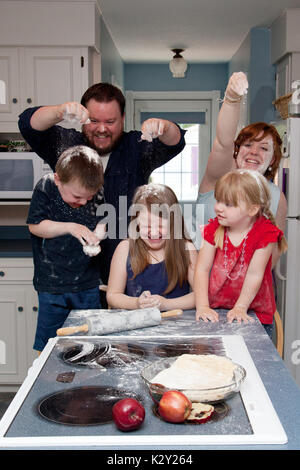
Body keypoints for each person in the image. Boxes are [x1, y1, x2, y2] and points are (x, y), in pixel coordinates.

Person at [18, 83, 186, 284]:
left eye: (111, 121)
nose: (102, 129)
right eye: (94, 120)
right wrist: (59, 112)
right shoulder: (66, 145)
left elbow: (176, 142)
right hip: (71, 278)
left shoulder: (136, 148)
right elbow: (27, 125)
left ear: (123, 118)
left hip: (127, 273)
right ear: (83, 119)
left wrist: (165, 127)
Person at [193, 72, 287, 266]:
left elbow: (273, 256)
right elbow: (223, 142)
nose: (254, 152)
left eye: (263, 148)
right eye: (247, 145)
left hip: (250, 291)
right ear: (236, 151)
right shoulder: (219, 177)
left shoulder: (277, 197)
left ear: (272, 160)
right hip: (202, 285)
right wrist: (232, 99)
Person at [27, 145, 107, 351]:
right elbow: (35, 226)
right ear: (57, 180)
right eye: (77, 197)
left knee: (91, 345)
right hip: (52, 286)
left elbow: (102, 220)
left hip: (87, 284)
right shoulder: (45, 187)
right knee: (49, 347)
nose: (83, 202)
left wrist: (97, 236)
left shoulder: (95, 190)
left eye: (88, 197)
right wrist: (71, 227)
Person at [194, 169, 287, 336]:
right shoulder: (214, 229)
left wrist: (241, 307)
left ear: (252, 209)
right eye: (218, 200)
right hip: (216, 310)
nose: (218, 208)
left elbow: (254, 274)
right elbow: (202, 269)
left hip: (253, 313)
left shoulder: (265, 233)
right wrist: (202, 306)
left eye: (228, 204)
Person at [106, 183, 197, 311]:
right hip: (136, 326)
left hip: (177, 326)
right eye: (146, 226)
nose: (154, 233)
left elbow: (201, 295)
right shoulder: (125, 249)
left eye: (160, 226)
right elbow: (112, 295)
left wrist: (167, 304)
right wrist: (137, 303)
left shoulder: (187, 249)